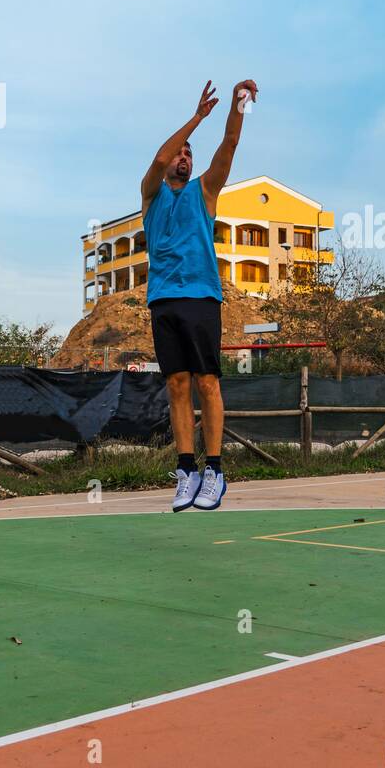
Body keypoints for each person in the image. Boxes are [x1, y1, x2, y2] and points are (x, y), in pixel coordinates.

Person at [140, 79, 258, 510]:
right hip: (163, 300)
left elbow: (228, 143)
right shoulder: (150, 197)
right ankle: (185, 470)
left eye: (189, 152)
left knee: (207, 382)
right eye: (181, 152)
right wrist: (193, 121)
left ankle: (215, 470)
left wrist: (236, 104)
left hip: (202, 298)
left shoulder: (205, 191)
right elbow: (157, 157)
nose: (185, 155)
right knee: (176, 384)